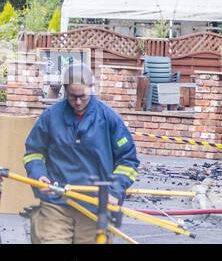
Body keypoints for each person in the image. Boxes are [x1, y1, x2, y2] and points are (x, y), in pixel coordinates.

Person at [23, 63, 139, 243]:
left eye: (82, 96)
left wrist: (115, 191)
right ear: (64, 91)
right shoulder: (50, 117)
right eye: (72, 97)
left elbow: (128, 161)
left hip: (95, 204)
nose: (77, 102)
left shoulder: (109, 119)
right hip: (56, 203)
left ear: (92, 88)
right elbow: (33, 153)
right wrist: (38, 175)